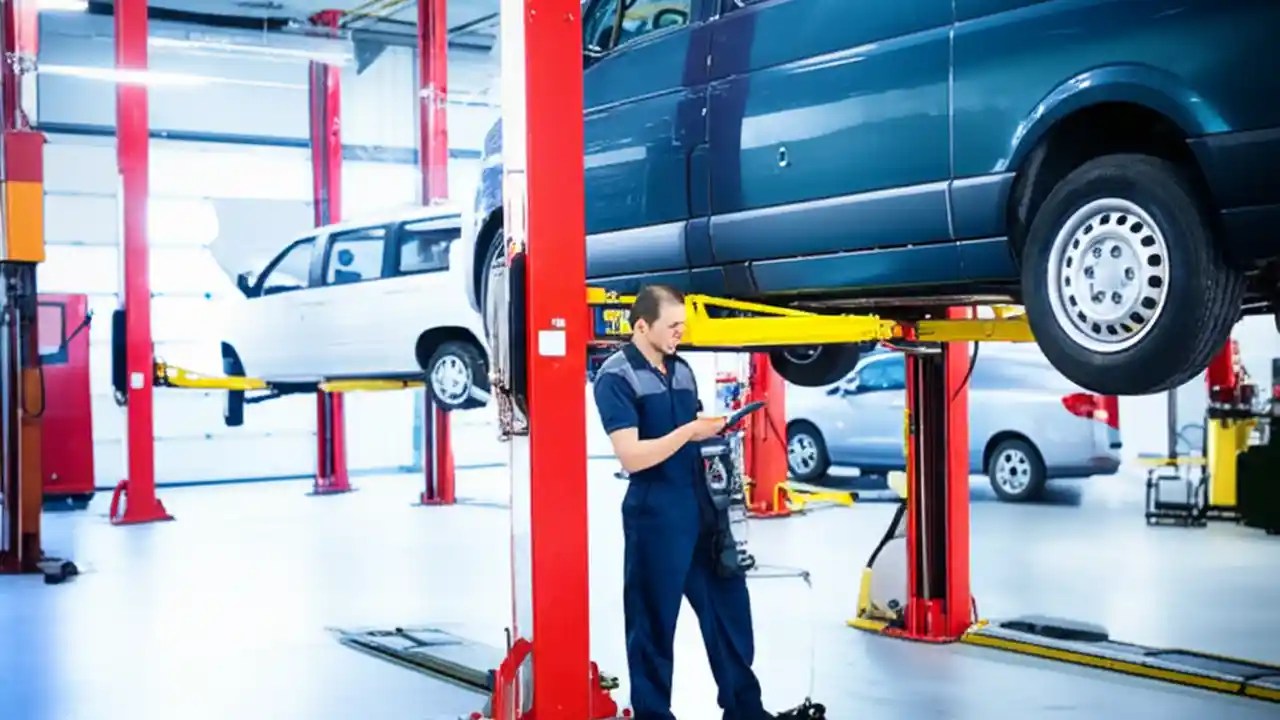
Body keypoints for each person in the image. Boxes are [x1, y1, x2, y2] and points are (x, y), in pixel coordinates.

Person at [592, 284, 773, 720]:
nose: (680, 334)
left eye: (683, 326)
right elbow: (632, 456)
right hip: (655, 512)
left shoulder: (684, 369)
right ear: (641, 326)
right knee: (653, 622)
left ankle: (745, 709)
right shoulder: (615, 378)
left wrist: (710, 429)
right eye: (672, 326)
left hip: (702, 507)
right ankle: (654, 715)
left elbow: (691, 429)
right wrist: (690, 432)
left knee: (728, 607)